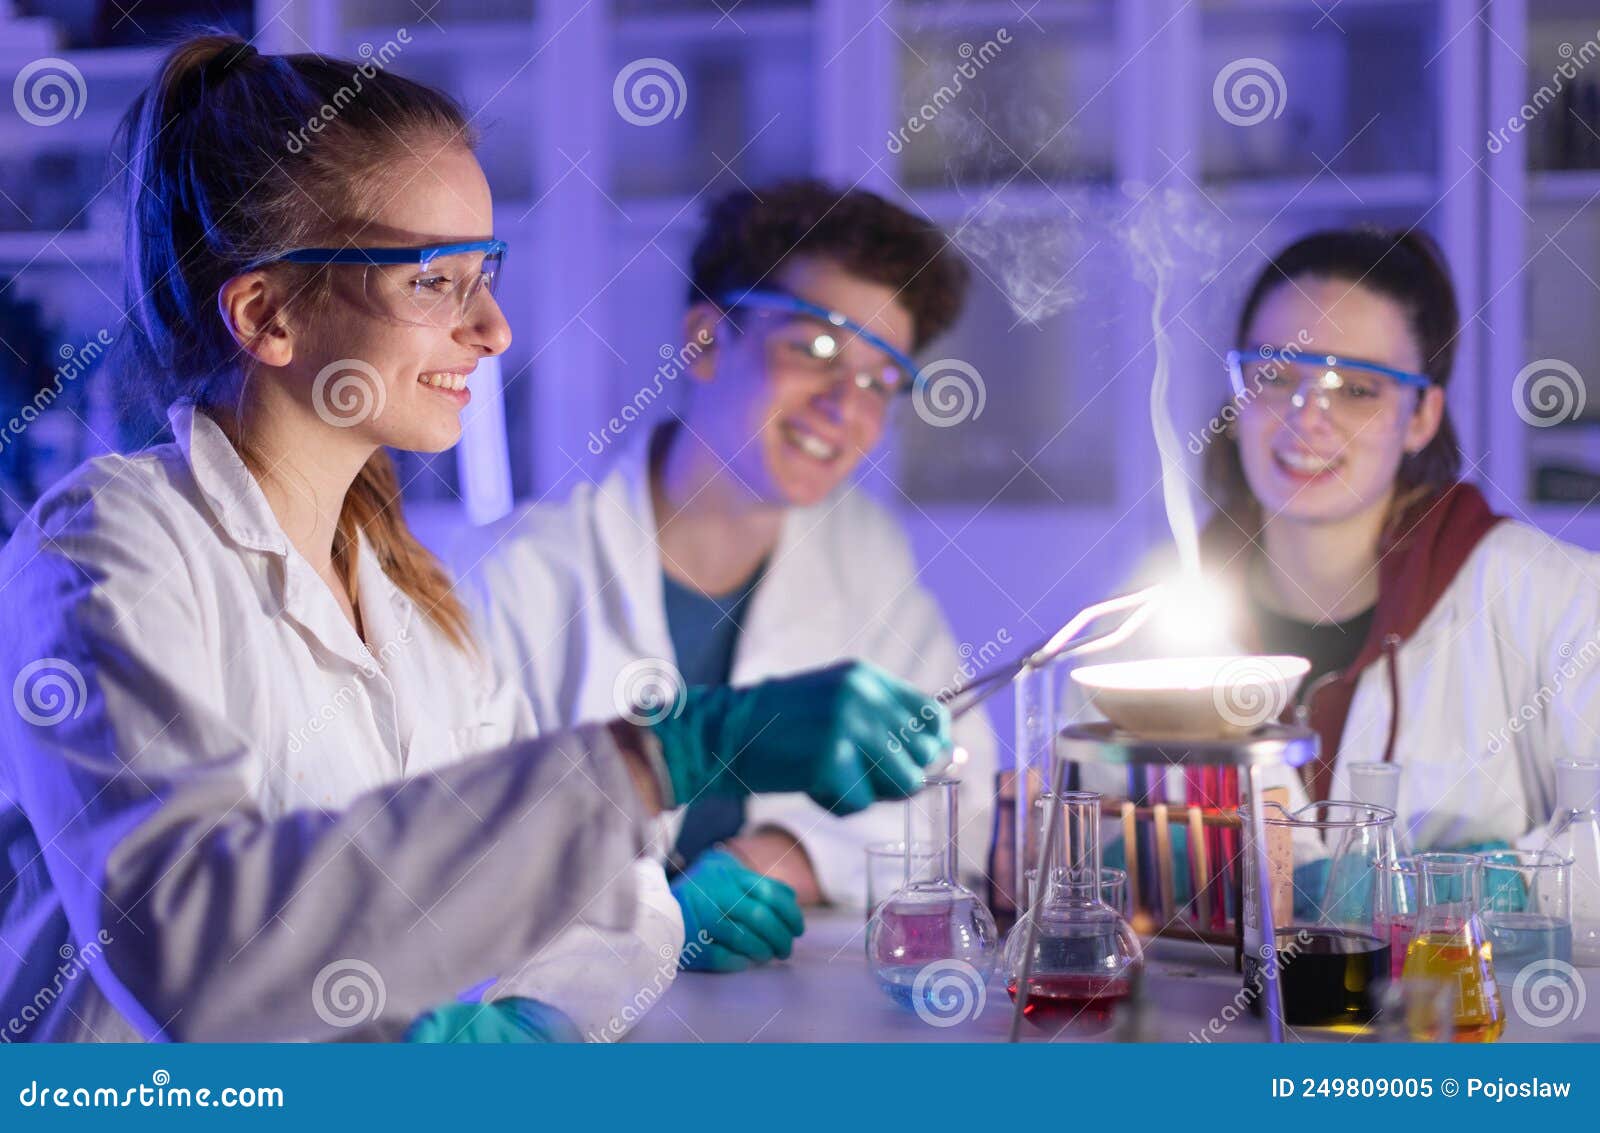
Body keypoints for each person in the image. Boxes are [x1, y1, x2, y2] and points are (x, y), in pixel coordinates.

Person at [0, 36, 947, 1043]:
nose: (494, 328)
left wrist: (539, 1012)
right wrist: (655, 757)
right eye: (433, 281)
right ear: (267, 313)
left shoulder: (414, 605)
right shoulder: (108, 547)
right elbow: (192, 956)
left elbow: (597, 903)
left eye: (483, 271)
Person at [456, 181, 997, 972]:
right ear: (706, 341)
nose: (845, 407)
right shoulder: (516, 576)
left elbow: (959, 796)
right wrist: (649, 912)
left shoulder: (865, 553)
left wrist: (772, 858)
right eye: (816, 350)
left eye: (881, 381)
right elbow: (450, 848)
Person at [1085, 227, 1600, 859]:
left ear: (1421, 416)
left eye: (1356, 389)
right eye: (1275, 376)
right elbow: (1078, 820)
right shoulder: (1148, 613)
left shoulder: (1554, 599)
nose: (1306, 417)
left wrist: (1486, 881)